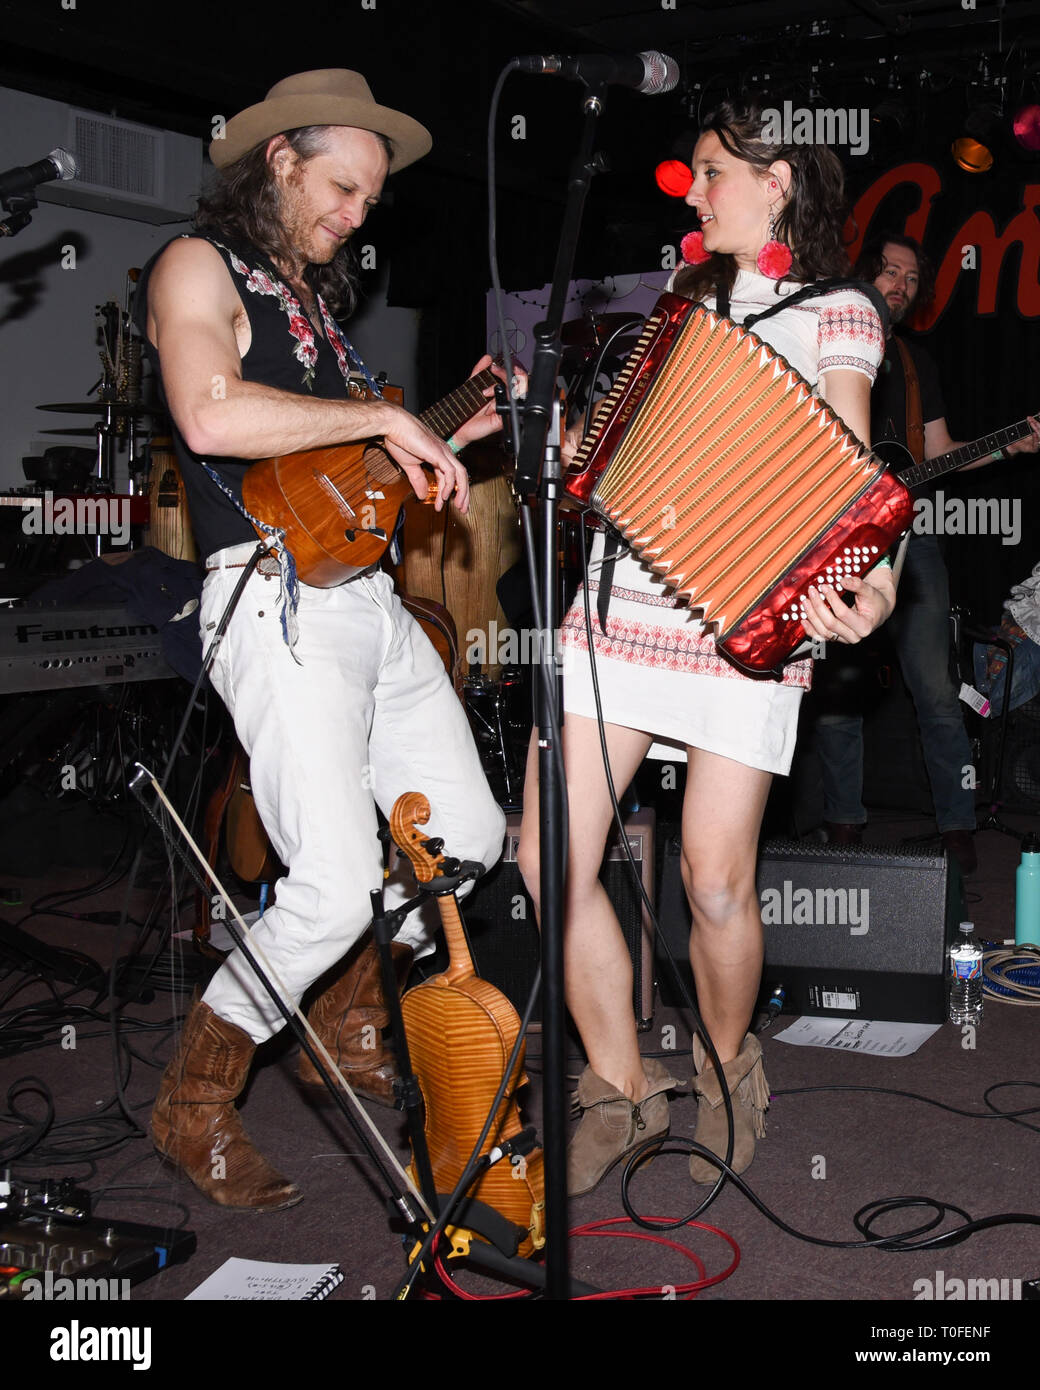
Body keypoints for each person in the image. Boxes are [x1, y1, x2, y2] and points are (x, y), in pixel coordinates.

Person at [139, 70, 510, 1211]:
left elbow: (335, 470)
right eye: (343, 187)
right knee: (335, 883)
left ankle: (342, 1011)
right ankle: (193, 1098)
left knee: (470, 839)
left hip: (367, 605)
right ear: (281, 162)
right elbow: (210, 412)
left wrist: (442, 424)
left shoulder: (314, 307)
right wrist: (387, 415)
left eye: (371, 199)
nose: (358, 214)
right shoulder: (196, 265)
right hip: (272, 599)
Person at [517, 99, 898, 1194]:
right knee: (549, 856)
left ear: (778, 181)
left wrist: (866, 582)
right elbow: (614, 458)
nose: (690, 189)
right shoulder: (669, 308)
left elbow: (851, 475)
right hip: (623, 606)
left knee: (713, 880)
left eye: (710, 169)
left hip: (740, 623)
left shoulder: (838, 313)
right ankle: (619, 1083)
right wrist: (556, 440)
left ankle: (730, 1069)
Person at [813, 234, 1040, 874]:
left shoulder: (916, 364)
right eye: (889, 271)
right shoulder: (823, 340)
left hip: (909, 541)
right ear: (861, 273)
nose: (900, 286)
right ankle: (843, 822)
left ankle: (958, 824)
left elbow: (937, 452)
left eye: (912, 280)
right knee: (837, 690)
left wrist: (1008, 445)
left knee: (938, 690)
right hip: (834, 535)